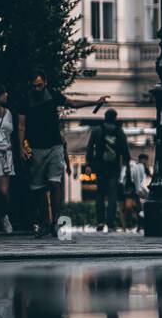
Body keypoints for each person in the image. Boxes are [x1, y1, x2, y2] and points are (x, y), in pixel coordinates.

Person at [18, 72, 108, 237]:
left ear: (45, 82)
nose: (37, 88)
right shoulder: (25, 98)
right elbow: (21, 125)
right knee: (39, 188)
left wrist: (96, 102)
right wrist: (21, 147)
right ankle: (46, 222)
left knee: (54, 183)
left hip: (55, 145)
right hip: (36, 148)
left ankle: (55, 222)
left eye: (39, 85)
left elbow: (72, 103)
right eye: (34, 86)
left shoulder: (52, 93)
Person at [86, 108, 131, 233]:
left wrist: (89, 163)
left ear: (105, 117)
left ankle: (100, 221)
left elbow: (90, 148)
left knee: (100, 194)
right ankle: (110, 223)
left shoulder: (97, 130)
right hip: (114, 167)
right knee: (112, 195)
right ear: (115, 118)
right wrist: (127, 162)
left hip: (100, 167)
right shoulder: (119, 131)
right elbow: (124, 149)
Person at [0, 84, 16, 235]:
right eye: (4, 93)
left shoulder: (8, 113)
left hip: (5, 155)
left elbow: (11, 134)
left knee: (4, 192)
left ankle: (4, 216)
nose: (7, 94)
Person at [124, 152, 150, 231]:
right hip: (133, 189)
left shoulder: (145, 168)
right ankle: (134, 221)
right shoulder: (135, 166)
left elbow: (147, 177)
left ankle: (139, 225)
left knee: (139, 207)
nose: (146, 161)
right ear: (141, 159)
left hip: (140, 190)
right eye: (145, 160)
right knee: (131, 207)